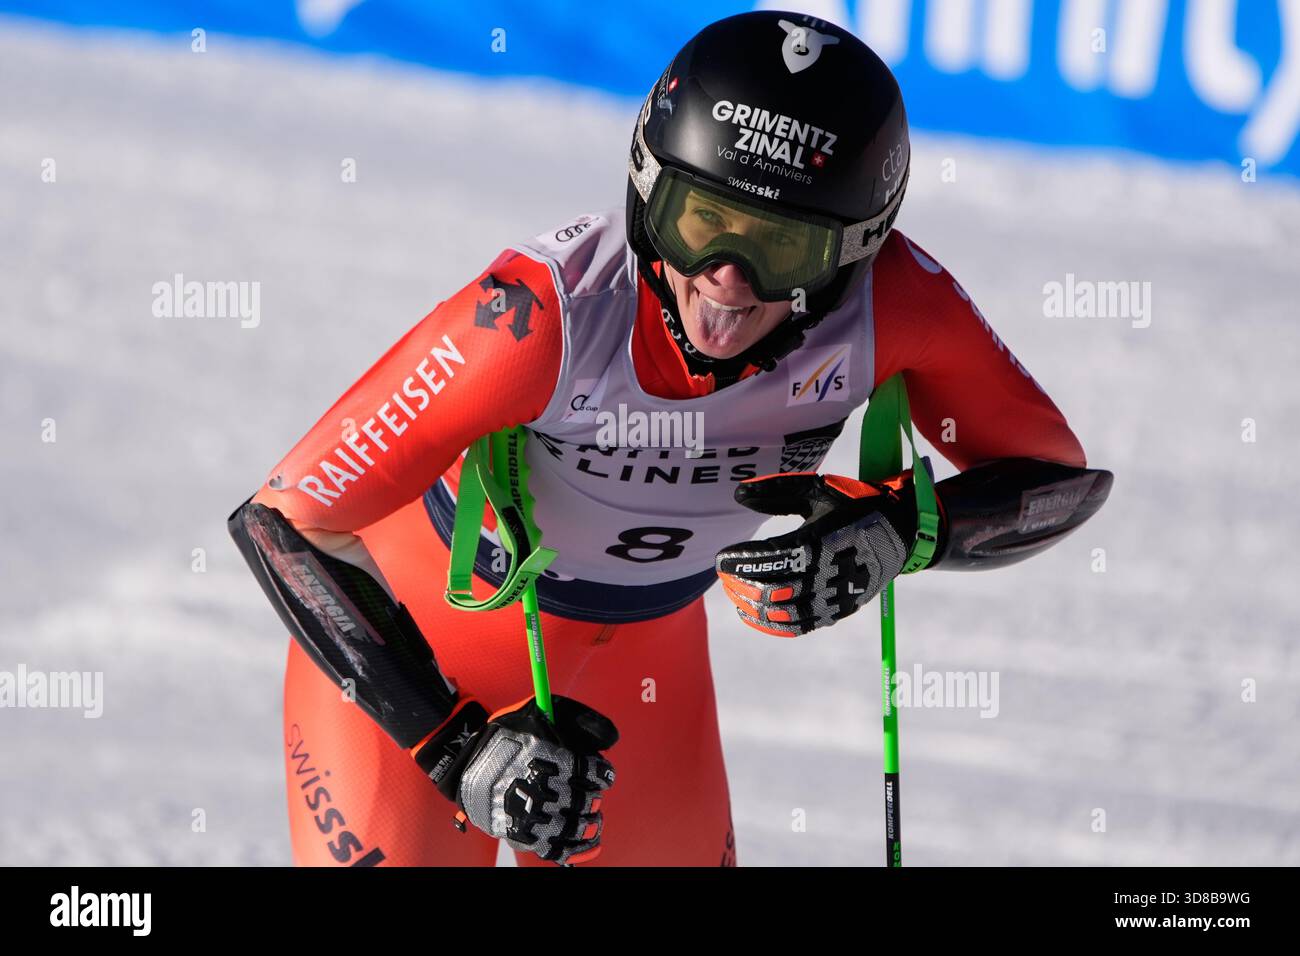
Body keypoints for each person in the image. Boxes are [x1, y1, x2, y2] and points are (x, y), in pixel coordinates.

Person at [229, 10, 1112, 867]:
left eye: (784, 248)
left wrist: (899, 531)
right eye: (703, 225)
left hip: (646, 679)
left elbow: (1056, 481)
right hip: (426, 668)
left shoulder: (902, 305)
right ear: (649, 193)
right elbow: (284, 518)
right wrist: (455, 746)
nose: (727, 283)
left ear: (858, 248)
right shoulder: (547, 317)